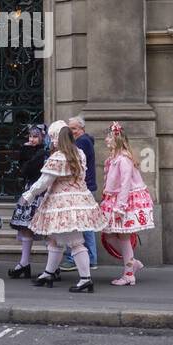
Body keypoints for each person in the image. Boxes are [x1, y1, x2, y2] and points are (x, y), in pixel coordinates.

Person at [21, 121, 106, 293]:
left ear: (56, 138)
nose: (51, 141)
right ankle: (48, 273)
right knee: (54, 239)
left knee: (74, 242)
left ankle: (85, 279)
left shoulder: (59, 156)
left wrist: (28, 196)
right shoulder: (79, 153)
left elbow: (44, 182)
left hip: (63, 204)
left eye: (52, 138)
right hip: (78, 200)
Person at [98, 122, 154, 286]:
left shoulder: (123, 160)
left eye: (109, 137)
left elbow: (125, 184)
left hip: (125, 201)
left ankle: (129, 273)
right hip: (116, 200)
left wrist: (120, 207)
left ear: (116, 139)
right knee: (110, 235)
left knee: (122, 236)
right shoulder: (114, 159)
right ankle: (131, 263)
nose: (106, 140)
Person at [7, 123, 47, 278]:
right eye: (30, 136)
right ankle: (24, 263)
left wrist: (32, 153)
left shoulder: (44, 152)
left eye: (36, 136)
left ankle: (52, 267)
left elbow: (33, 170)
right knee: (25, 227)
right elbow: (23, 171)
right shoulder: (27, 150)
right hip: (29, 190)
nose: (32, 139)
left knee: (46, 229)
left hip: (42, 192)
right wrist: (25, 151)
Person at [61, 115, 99, 271]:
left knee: (78, 225)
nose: (71, 131)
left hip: (83, 188)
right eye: (70, 129)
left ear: (81, 129)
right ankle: (90, 257)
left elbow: (72, 164)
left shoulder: (82, 142)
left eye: (74, 128)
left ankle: (81, 258)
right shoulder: (83, 141)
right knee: (85, 224)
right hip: (86, 187)